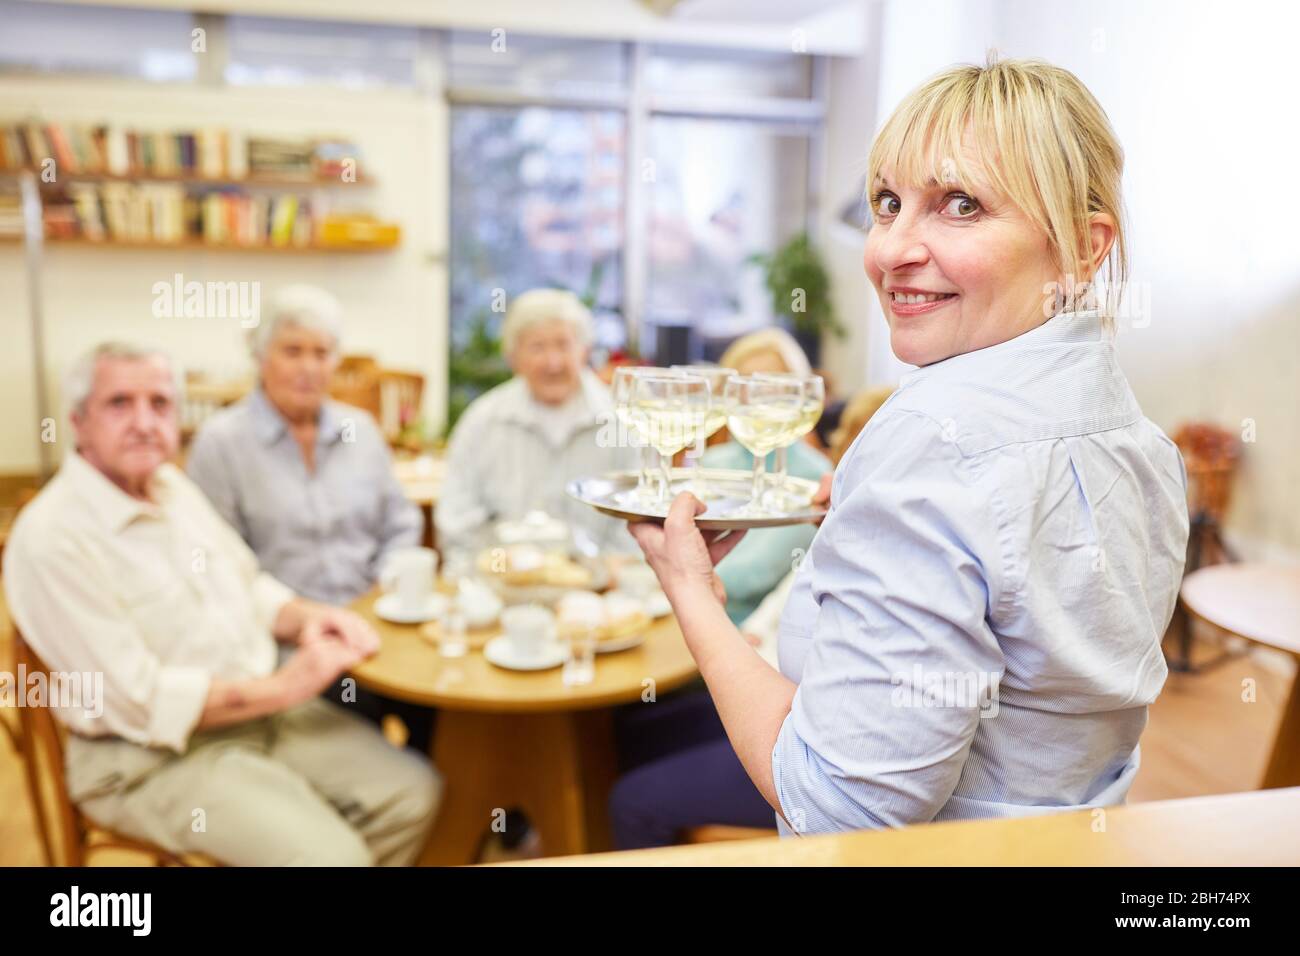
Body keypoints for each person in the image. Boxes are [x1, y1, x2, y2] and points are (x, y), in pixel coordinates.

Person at [627, 57, 1190, 836]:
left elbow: (839, 812)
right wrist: (873, 536)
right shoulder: (1142, 442)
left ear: (1083, 249)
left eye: (961, 204)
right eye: (888, 203)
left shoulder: (931, 445)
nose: (891, 250)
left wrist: (691, 590)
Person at [4, 342, 440, 865]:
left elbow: (249, 584)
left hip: (258, 717)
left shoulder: (171, 487)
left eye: (160, 404)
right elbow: (139, 700)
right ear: (78, 421)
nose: (144, 422)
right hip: (151, 759)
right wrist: (286, 685)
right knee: (335, 859)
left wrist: (310, 616)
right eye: (120, 403)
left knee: (414, 795)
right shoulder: (54, 538)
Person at [607, 386, 890, 849]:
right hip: (789, 705)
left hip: (810, 754)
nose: (826, 480)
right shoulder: (849, 533)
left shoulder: (896, 559)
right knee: (634, 729)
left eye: (846, 465)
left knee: (630, 801)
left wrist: (692, 590)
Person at [187, 285, 432, 749]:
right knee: (361, 736)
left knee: (447, 702)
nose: (308, 367)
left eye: (321, 353)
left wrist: (389, 584)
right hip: (291, 646)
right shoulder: (220, 445)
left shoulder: (360, 431)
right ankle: (400, 806)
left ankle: (460, 814)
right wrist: (306, 621)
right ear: (260, 357)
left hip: (378, 624)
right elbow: (219, 567)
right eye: (292, 351)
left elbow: (400, 521)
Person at [435, 288, 637, 563]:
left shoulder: (623, 421)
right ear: (513, 358)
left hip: (601, 592)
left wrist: (601, 573)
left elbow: (637, 519)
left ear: (585, 351)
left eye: (563, 345)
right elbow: (457, 519)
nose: (552, 363)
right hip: (502, 588)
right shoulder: (483, 421)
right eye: (537, 347)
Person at [699, 327, 831, 624]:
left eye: (773, 385)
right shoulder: (712, 462)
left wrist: (681, 575)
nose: (757, 398)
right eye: (744, 386)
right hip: (689, 618)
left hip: (758, 635)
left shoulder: (814, 477)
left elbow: (757, 574)